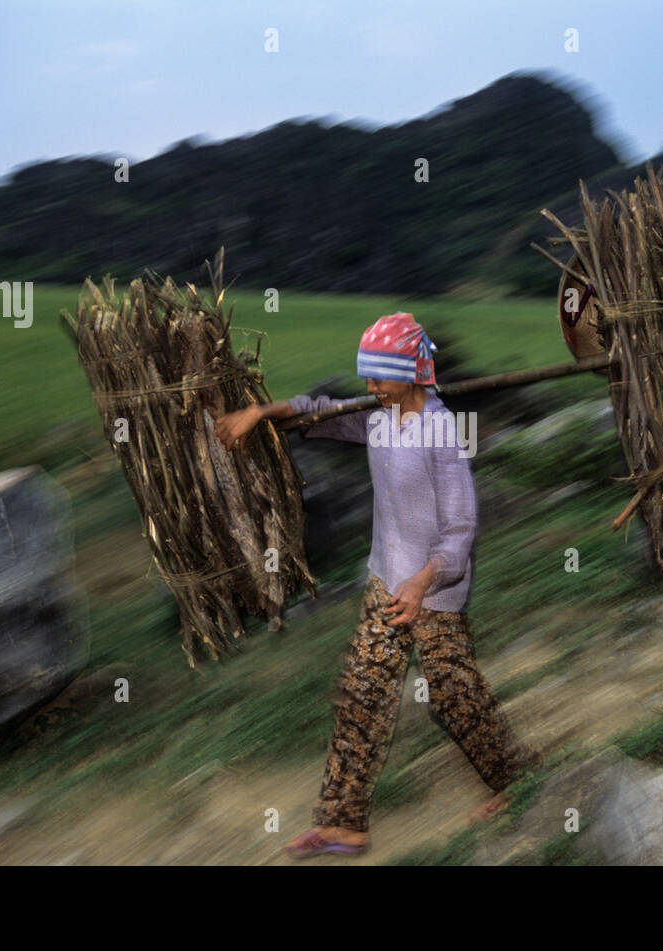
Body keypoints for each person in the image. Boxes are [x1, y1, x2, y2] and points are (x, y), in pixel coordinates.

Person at [214, 312, 535, 859]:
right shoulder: (377, 416)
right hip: (386, 580)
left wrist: (423, 581)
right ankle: (343, 824)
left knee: (455, 698)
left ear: (410, 373)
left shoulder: (440, 432)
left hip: (433, 593)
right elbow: (318, 413)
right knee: (362, 695)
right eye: (366, 377)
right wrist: (261, 412)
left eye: (379, 377)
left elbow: (461, 528)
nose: (369, 388)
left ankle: (520, 784)